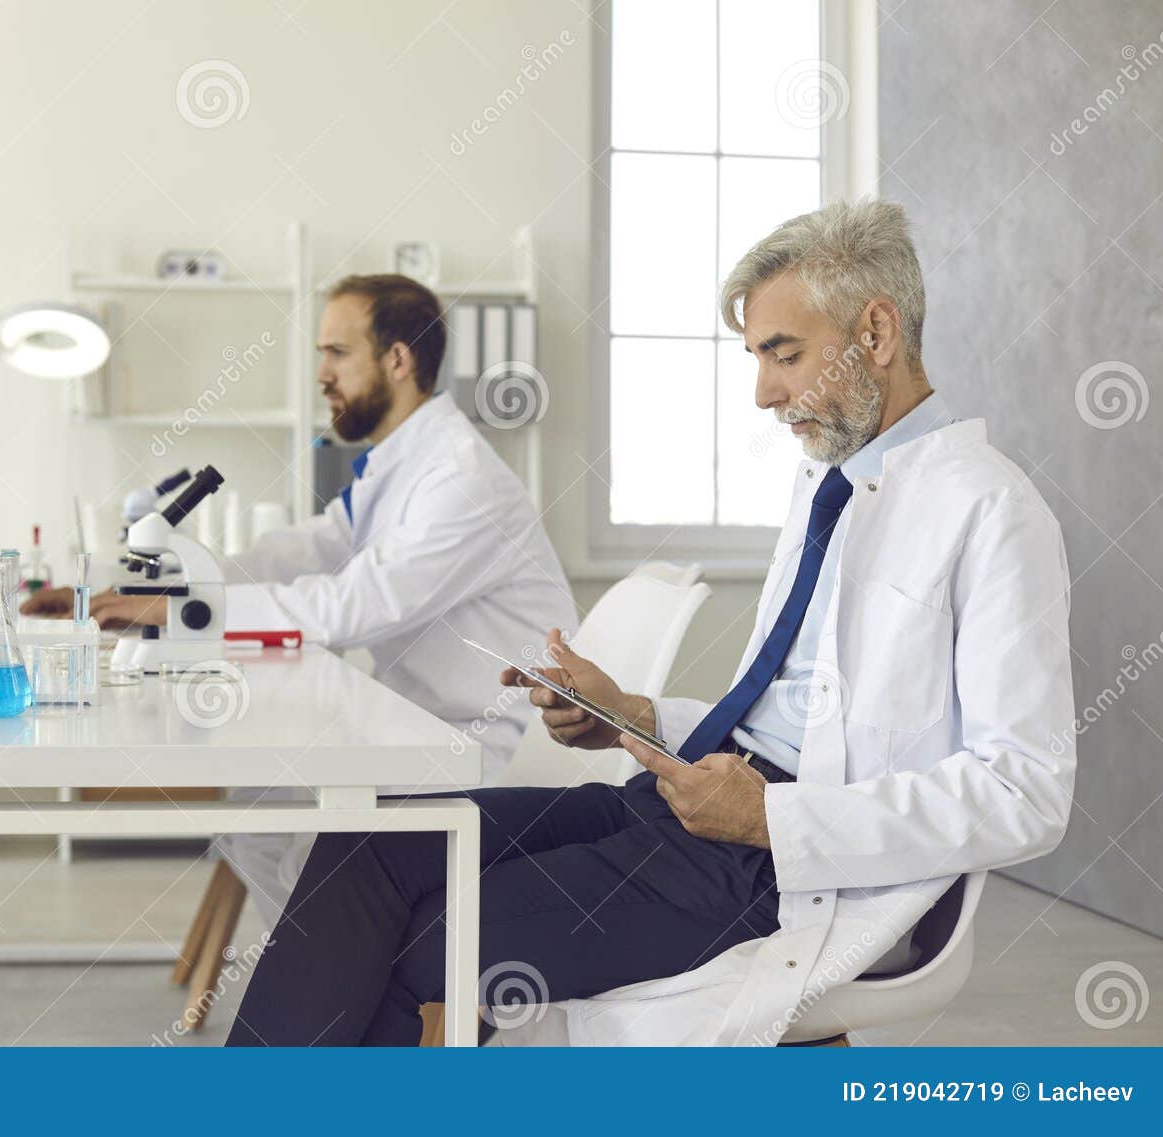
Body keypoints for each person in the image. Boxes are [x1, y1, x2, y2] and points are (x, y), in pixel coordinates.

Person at [226, 199, 1076, 1047]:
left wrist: (772, 821)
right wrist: (636, 715)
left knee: (422, 941)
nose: (763, 393)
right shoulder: (828, 485)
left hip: (779, 866)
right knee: (369, 843)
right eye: (757, 359)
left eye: (783, 354)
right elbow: (791, 715)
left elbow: (1026, 792)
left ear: (877, 332)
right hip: (685, 806)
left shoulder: (992, 511)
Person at [27, 274, 574, 921]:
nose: (321, 373)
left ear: (398, 359)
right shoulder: (398, 462)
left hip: (479, 751)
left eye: (337, 353)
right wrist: (152, 591)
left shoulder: (461, 478)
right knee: (256, 810)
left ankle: (364, 997)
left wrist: (178, 612)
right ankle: (329, 995)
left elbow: (349, 606)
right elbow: (307, 548)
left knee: (288, 835)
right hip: (415, 722)